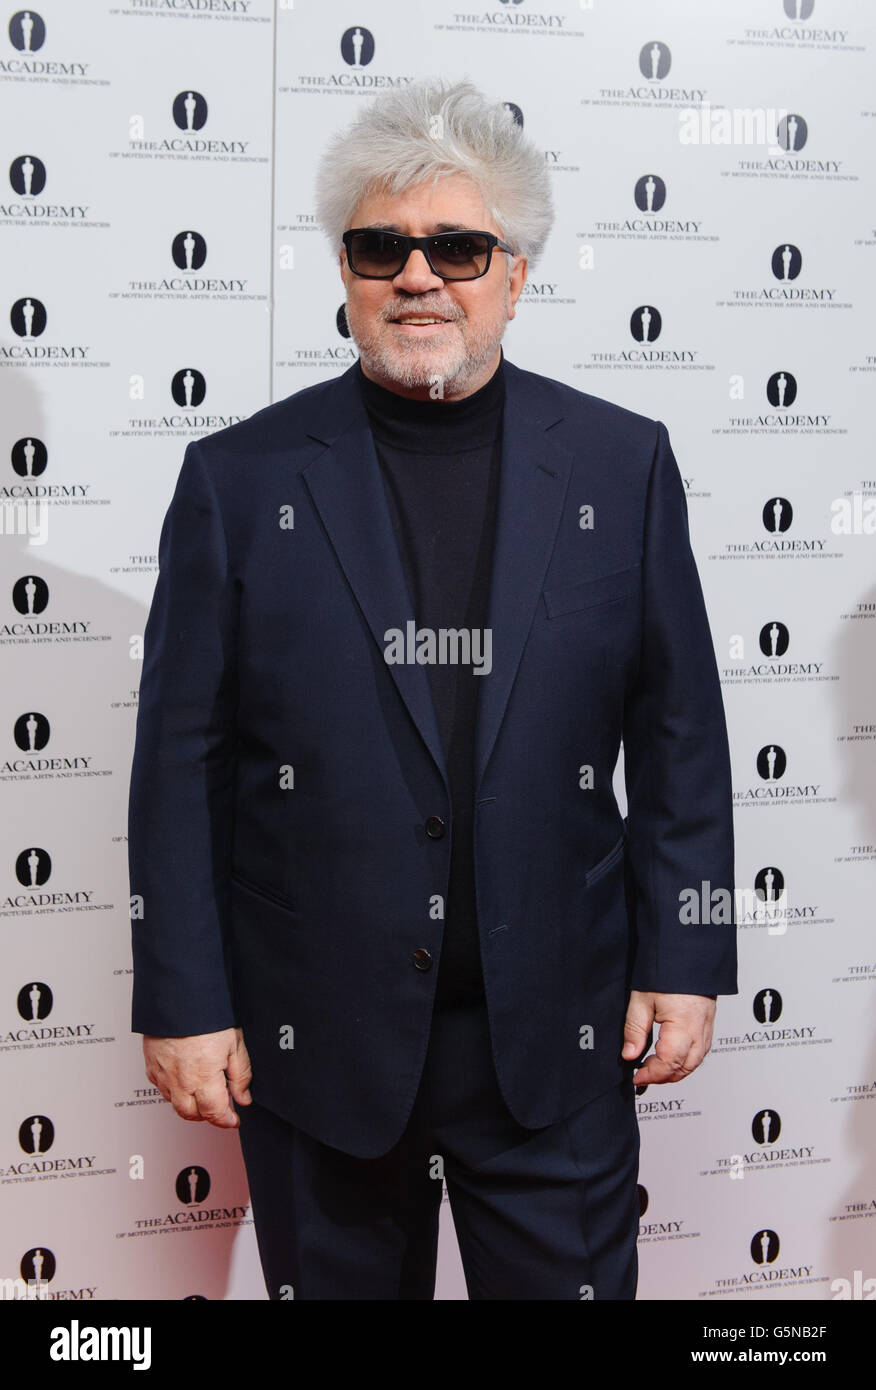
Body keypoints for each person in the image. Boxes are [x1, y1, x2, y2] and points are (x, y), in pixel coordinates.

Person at [128, 77, 737, 1301]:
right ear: (345, 273)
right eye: (380, 247)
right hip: (320, 1042)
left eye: (458, 247)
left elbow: (678, 732)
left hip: (556, 1036)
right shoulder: (237, 482)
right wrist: (184, 997)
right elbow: (181, 763)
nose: (419, 276)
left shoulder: (623, 466)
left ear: (515, 274)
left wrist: (686, 952)